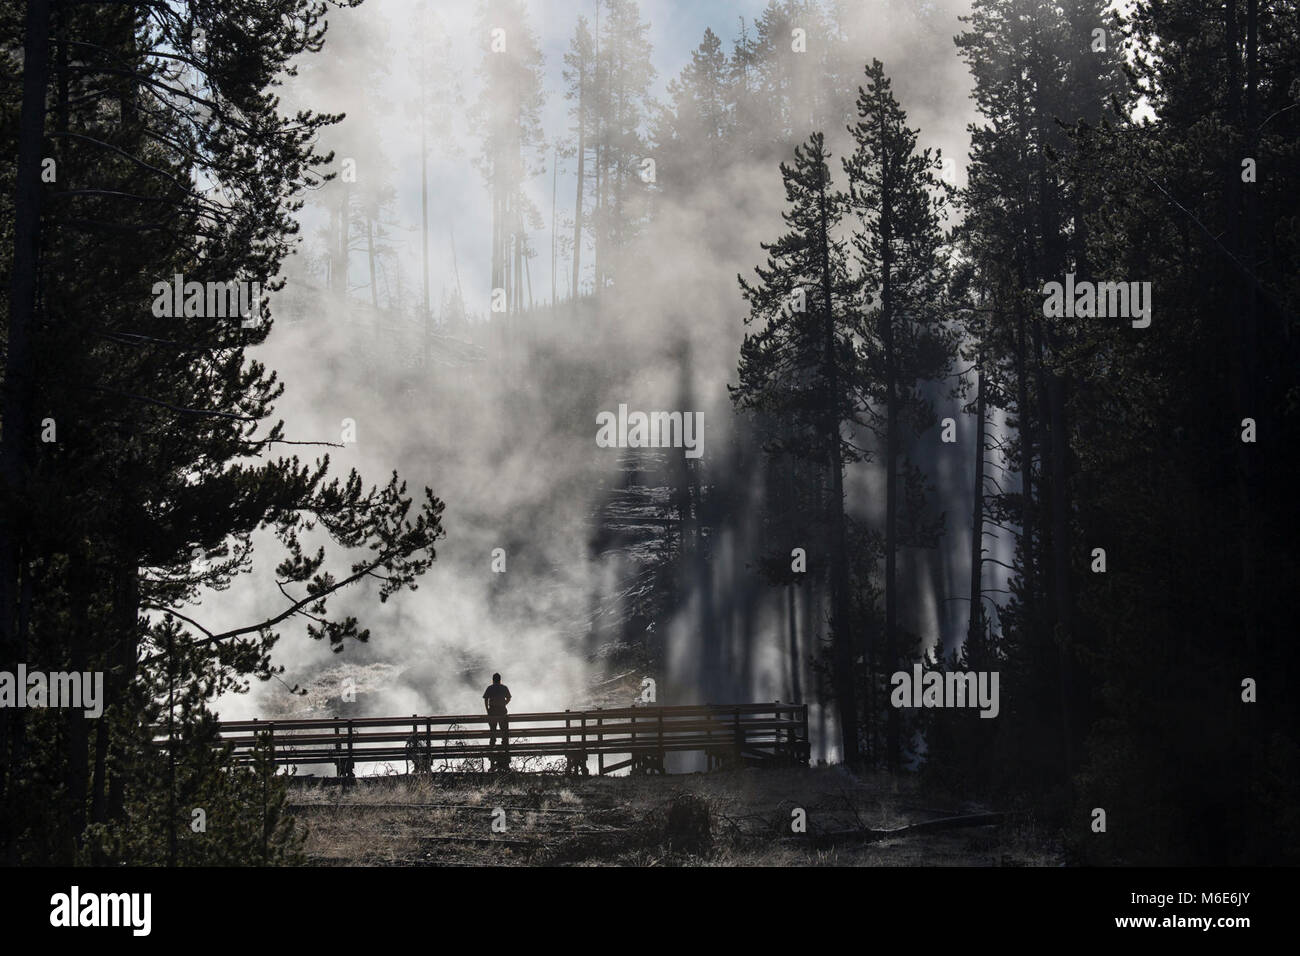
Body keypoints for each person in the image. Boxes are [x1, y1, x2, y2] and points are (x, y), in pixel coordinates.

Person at [482, 672, 511, 752]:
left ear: (493, 680)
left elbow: (486, 699)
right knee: (504, 730)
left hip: (492, 711)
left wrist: (487, 710)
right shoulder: (504, 687)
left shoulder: (490, 688)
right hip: (502, 711)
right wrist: (504, 703)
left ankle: (492, 744)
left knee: (492, 730)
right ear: (500, 680)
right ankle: (504, 745)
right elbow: (509, 698)